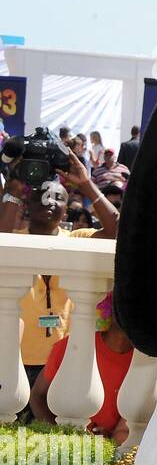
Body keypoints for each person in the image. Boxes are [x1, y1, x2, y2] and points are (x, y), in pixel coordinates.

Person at [0, 153, 118, 384]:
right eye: (42, 196)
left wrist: (86, 184)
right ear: (27, 205)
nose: (50, 201)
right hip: (15, 356)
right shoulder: (14, 239)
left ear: (66, 210)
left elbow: (117, 230)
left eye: (57, 197)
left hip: (64, 357)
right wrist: (12, 191)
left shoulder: (78, 239)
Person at [26, 292, 133, 446]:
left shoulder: (142, 360)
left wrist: (108, 441)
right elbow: (37, 397)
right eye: (123, 305)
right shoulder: (67, 347)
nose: (128, 313)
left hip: (111, 454)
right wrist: (63, 436)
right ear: (111, 308)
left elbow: (126, 429)